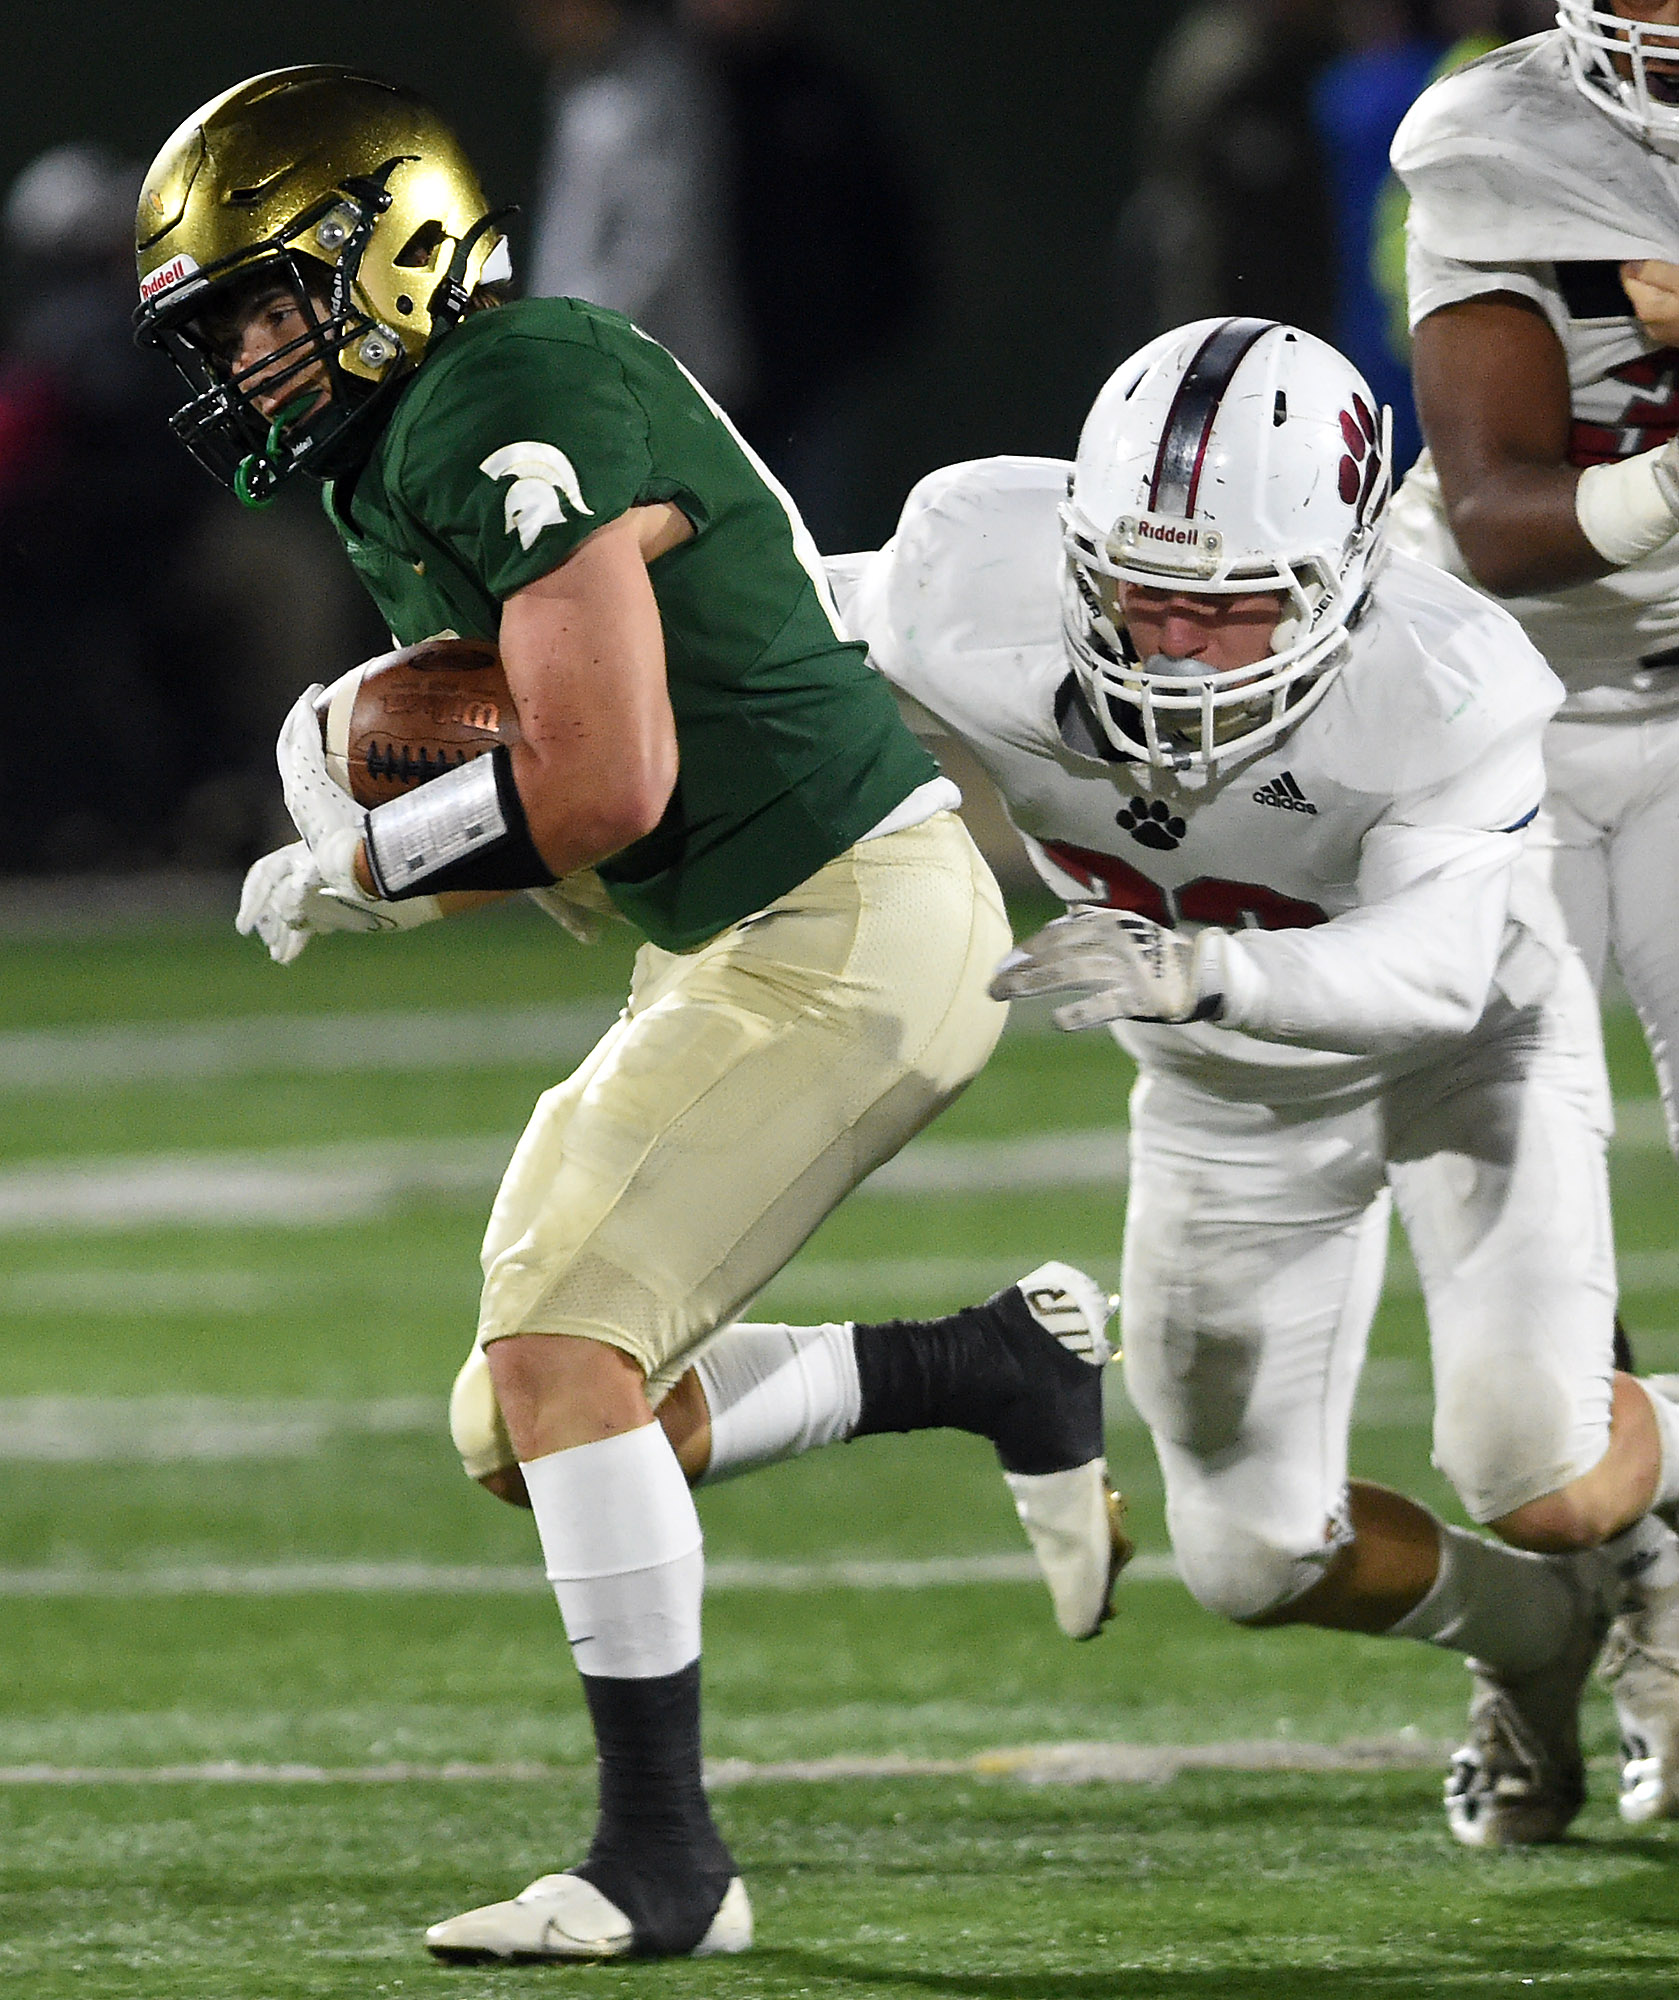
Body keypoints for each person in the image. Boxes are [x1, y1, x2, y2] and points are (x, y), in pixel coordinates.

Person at [133, 66, 1126, 1964]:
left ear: (391, 248)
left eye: (271, 300)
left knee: (559, 1361)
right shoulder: (412, 431)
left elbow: (601, 789)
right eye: (224, 323)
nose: (249, 354)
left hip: (838, 919)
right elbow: (585, 813)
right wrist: (399, 818)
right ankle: (985, 1368)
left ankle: (663, 1862)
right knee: (522, 1421)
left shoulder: (510, 391)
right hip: (755, 925)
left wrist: (370, 853)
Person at [824, 315, 1679, 1849]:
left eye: (1222, 610)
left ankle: (1649, 1550)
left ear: (1345, 577)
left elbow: (1424, 972)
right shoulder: (969, 572)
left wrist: (1194, 968)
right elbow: (738, 632)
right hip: (1226, 1101)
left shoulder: (1447, 678)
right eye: (1135, 594)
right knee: (1247, 1561)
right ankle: (1533, 1637)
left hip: (1458, 1056)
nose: (1166, 645)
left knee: (1540, 1468)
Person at [1387, 0, 1679, 1820]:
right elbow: (1500, 513)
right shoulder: (1495, 134)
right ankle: (1603, 1611)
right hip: (1496, 713)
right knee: (1517, 1249)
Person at [517, 0, 749, 408]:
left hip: (666, 373)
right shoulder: (573, 81)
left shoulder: (660, 83)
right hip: (594, 369)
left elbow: (654, 243)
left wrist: (568, 333)